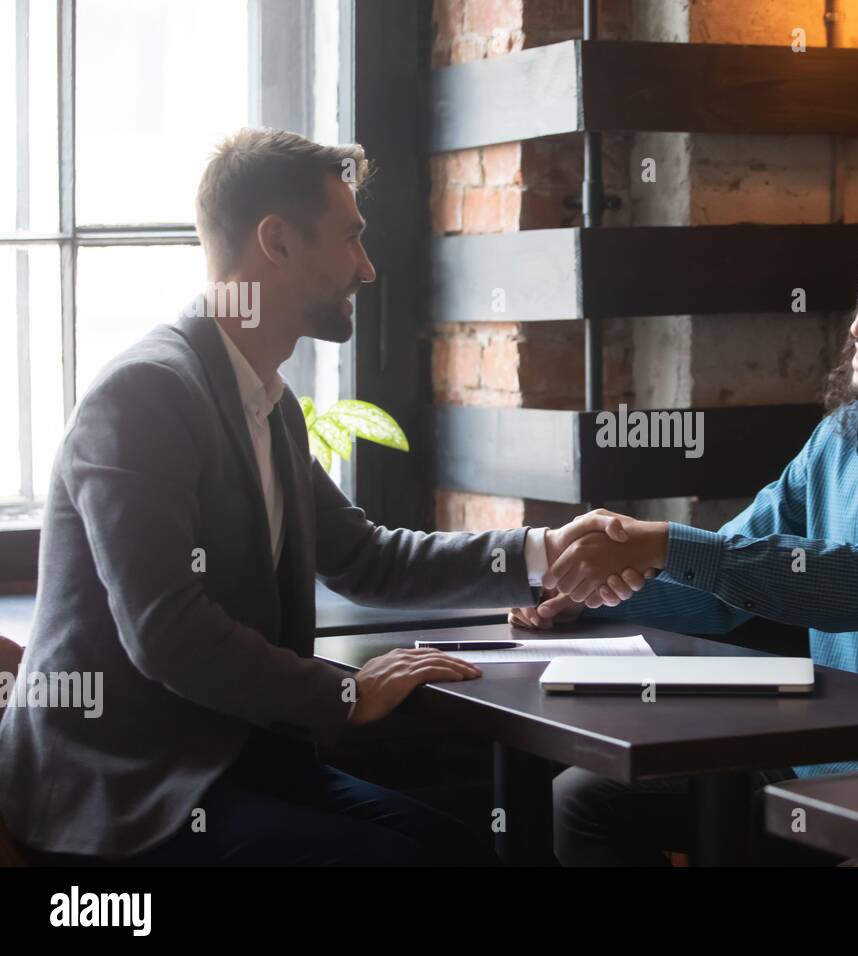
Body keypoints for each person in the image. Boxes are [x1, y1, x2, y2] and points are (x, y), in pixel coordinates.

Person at [0, 128, 637, 866]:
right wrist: (344, 693)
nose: (366, 269)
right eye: (350, 239)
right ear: (276, 243)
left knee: (461, 852)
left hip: (234, 774)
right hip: (127, 798)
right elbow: (165, 629)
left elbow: (364, 558)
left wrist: (542, 554)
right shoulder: (145, 394)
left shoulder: (267, 403)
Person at [512, 209, 858, 866]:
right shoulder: (836, 442)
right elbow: (723, 590)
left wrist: (661, 543)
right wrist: (589, 596)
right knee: (583, 800)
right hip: (821, 763)